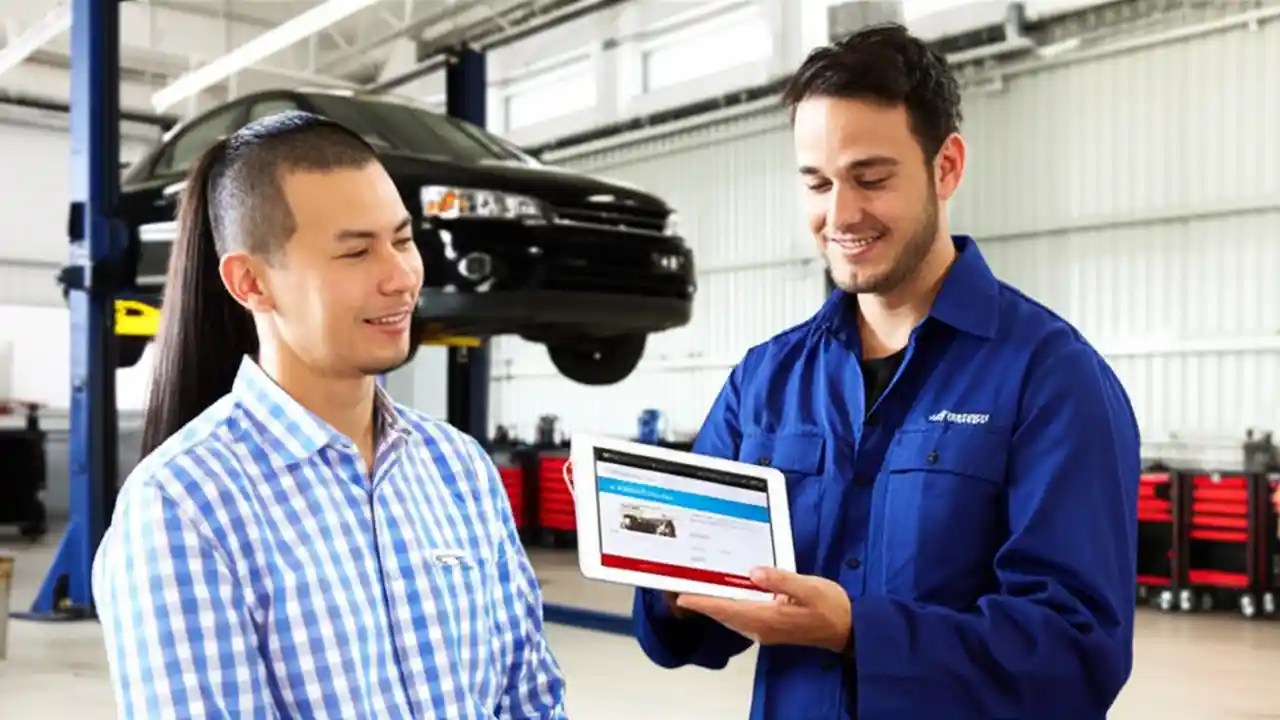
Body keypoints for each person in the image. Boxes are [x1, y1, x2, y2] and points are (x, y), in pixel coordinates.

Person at [631, 23, 1140, 720]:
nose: (840, 214)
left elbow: (1076, 657)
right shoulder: (765, 382)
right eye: (817, 183)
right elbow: (678, 629)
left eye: (871, 179)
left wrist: (852, 629)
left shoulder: (1052, 379)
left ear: (946, 166)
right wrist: (658, 567)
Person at [92, 111, 567, 719]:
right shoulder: (182, 506)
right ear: (251, 283)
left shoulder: (459, 470)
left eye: (401, 239)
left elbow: (532, 701)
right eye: (356, 252)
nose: (400, 278)